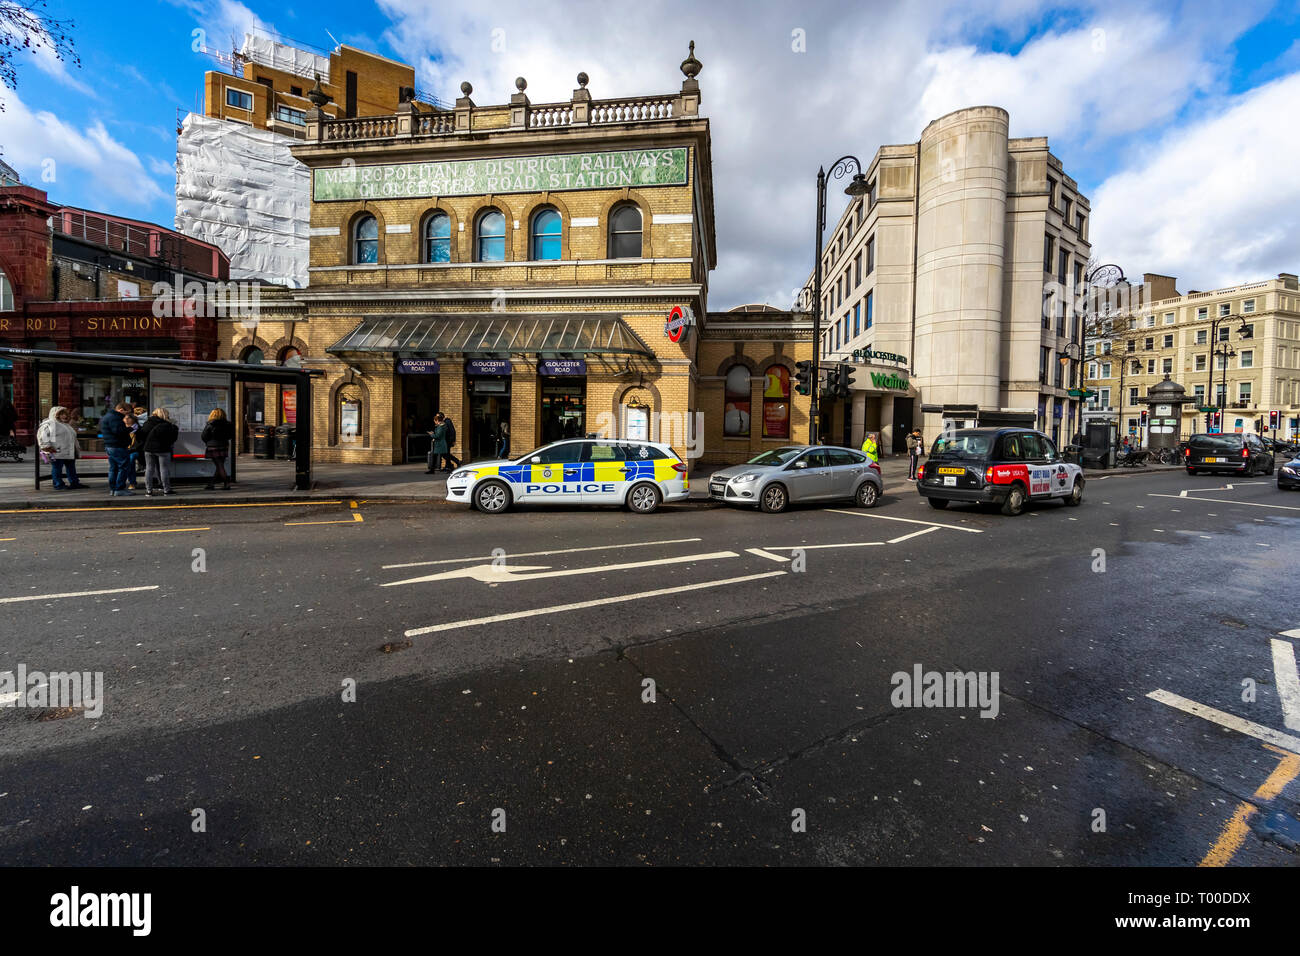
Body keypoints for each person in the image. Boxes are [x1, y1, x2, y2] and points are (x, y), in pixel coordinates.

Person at [135, 408, 179, 497]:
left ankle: (149, 491)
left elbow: (141, 435)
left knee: (149, 469)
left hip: (148, 448)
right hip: (163, 449)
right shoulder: (169, 425)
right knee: (164, 469)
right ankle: (166, 490)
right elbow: (173, 439)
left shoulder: (148, 423)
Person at [37, 406, 83, 490]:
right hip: (57, 451)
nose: (64, 416)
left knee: (71, 468)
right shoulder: (50, 424)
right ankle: (58, 484)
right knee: (57, 469)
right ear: (56, 414)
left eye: (65, 414)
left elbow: (72, 438)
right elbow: (43, 436)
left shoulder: (65, 425)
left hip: (68, 451)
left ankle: (74, 482)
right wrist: (47, 447)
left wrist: (77, 448)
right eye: (61, 414)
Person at [100, 400, 132, 496]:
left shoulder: (108, 416)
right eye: (127, 412)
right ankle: (119, 489)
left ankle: (113, 489)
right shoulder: (115, 418)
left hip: (110, 446)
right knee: (123, 467)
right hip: (118, 446)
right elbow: (119, 431)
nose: (128, 415)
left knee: (113, 468)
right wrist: (130, 428)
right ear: (121, 410)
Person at [201, 407, 235, 490]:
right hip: (224, 446)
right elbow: (231, 435)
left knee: (219, 465)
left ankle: (226, 483)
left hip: (213, 447)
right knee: (220, 465)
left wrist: (208, 442)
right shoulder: (228, 424)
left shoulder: (210, 424)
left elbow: (204, 436)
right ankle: (211, 484)